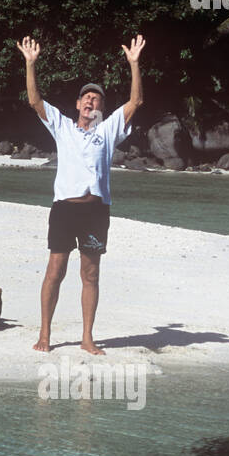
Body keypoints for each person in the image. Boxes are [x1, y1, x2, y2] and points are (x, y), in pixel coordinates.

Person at [17, 34, 145, 355]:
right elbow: (34, 101)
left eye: (96, 98)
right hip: (64, 211)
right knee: (55, 271)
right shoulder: (62, 126)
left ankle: (87, 337)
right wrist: (31, 64)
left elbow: (136, 103)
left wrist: (134, 64)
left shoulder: (108, 129)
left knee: (90, 274)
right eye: (86, 97)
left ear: (102, 107)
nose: (91, 101)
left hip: (95, 213)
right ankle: (44, 333)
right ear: (77, 104)